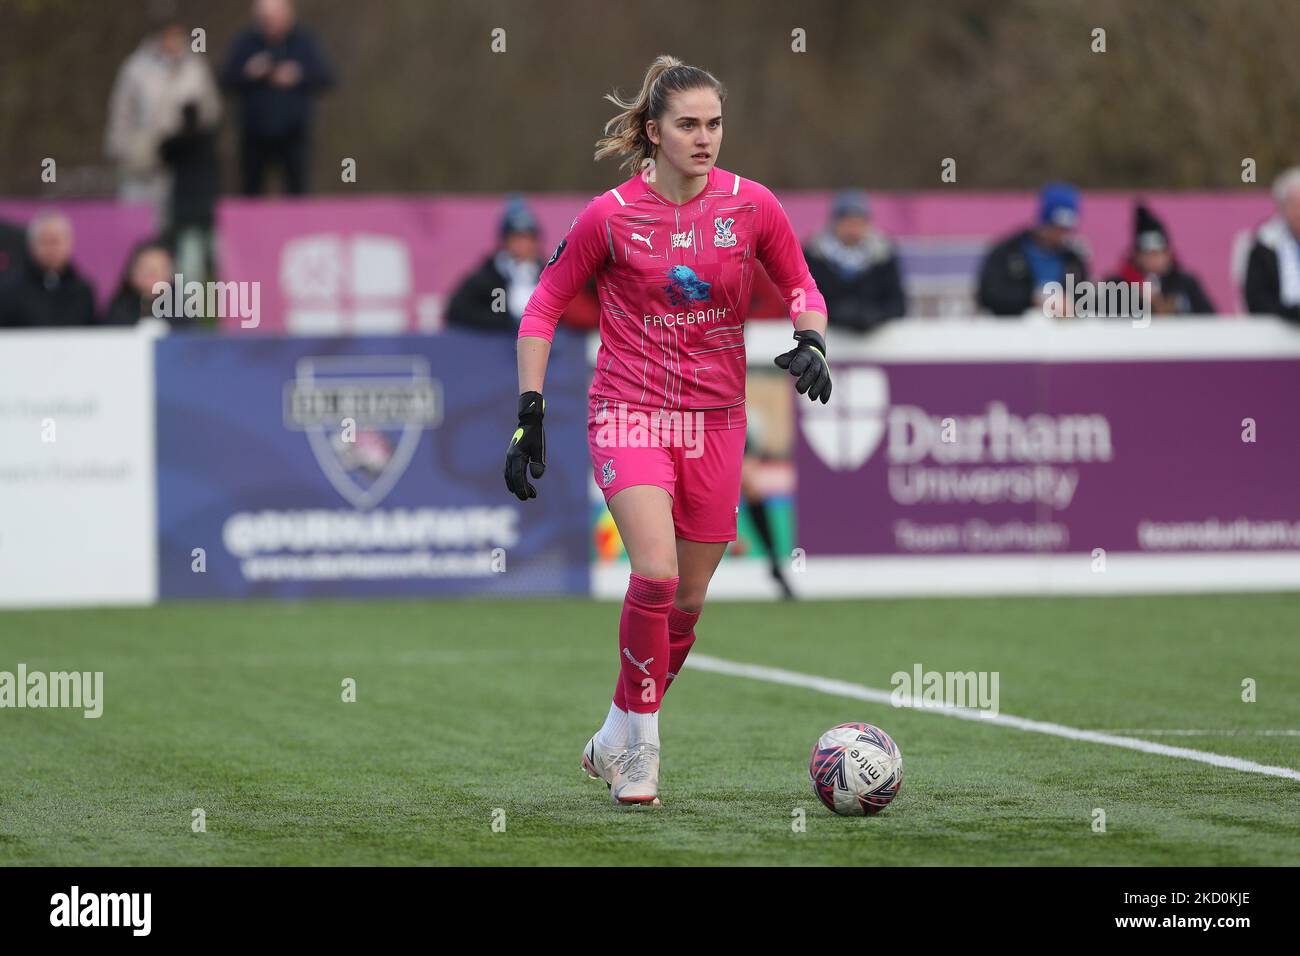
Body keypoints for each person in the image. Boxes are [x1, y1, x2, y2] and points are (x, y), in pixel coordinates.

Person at [503, 56, 830, 806]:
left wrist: (811, 340)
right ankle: (643, 751)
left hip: (718, 422)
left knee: (685, 600)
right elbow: (544, 306)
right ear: (654, 132)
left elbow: (804, 285)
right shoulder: (609, 215)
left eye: (715, 123)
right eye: (688, 124)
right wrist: (530, 412)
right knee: (651, 572)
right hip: (629, 411)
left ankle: (616, 730)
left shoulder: (754, 207)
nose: (705, 137)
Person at [104, 10, 220, 225]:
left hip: (183, 158)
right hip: (145, 154)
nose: (174, 42)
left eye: (178, 36)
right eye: (169, 36)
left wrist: (195, 134)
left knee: (178, 217)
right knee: (138, 213)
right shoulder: (135, 69)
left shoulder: (195, 67)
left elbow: (209, 110)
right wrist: (121, 149)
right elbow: (121, 112)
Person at [220, 0, 336, 196]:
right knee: (250, 191)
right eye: (264, 18)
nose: (269, 23)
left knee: (297, 190)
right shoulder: (246, 42)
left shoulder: (305, 42)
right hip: (254, 135)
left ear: (287, 16)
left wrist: (298, 75)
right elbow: (225, 79)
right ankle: (250, 227)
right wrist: (248, 73)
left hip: (295, 134)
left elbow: (327, 78)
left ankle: (301, 226)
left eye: (273, 18)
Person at [977, 182, 1089, 316]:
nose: (1061, 234)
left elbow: (1084, 300)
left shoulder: (1073, 260)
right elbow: (989, 296)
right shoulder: (1007, 252)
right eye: (1056, 227)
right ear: (1043, 222)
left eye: (1067, 229)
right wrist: (1032, 299)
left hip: (1061, 332)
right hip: (1012, 332)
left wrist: (1070, 305)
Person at [803, 190, 905, 331]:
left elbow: (898, 304)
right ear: (835, 223)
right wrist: (836, 315)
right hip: (825, 337)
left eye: (858, 222)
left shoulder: (883, 255)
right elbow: (804, 302)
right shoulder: (814, 254)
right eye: (847, 222)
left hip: (876, 339)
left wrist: (874, 316)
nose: (852, 229)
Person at [1106, 202, 1214, 316]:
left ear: (1168, 253)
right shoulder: (1117, 285)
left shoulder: (1186, 284)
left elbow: (1209, 319)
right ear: (1136, 255)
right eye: (1147, 253)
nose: (1152, 259)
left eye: (1157, 253)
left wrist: (1175, 309)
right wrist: (1141, 304)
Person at [0, 212, 96, 328]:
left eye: (55, 241)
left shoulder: (83, 291)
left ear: (69, 244)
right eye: (44, 242)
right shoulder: (10, 290)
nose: (51, 249)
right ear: (32, 245)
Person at [160, 101, 220, 283]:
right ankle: (204, 303)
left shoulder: (178, 142)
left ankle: (194, 306)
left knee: (191, 262)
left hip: (186, 207)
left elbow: (163, 152)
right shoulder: (207, 141)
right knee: (207, 259)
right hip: (203, 208)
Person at [1244, 166, 1300, 324]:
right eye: (1294, 205)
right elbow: (1256, 300)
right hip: (1277, 334)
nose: (1299, 212)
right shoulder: (1265, 246)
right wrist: (1290, 315)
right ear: (1281, 208)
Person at [103, 240, 185, 328]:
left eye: (159, 269)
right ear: (132, 272)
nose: (152, 274)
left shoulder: (181, 312)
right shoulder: (117, 311)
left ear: (171, 274)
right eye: (145, 268)